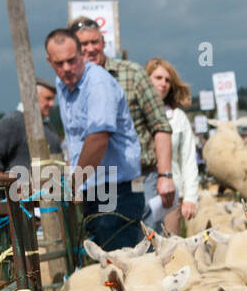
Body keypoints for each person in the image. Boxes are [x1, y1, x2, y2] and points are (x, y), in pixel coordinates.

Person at [44, 28, 145, 251]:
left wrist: (73, 183)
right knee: (107, 266)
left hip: (119, 191)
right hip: (96, 188)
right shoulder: (62, 85)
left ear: (81, 54)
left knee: (118, 264)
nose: (67, 68)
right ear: (49, 61)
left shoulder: (98, 84)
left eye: (72, 60)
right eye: (59, 63)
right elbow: (74, 139)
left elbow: (98, 138)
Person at [69, 17, 174, 224]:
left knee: (148, 245)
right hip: (96, 183)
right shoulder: (72, 85)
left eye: (94, 42)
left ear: (103, 42)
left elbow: (160, 125)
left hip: (140, 178)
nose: (90, 49)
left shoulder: (132, 74)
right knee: (107, 249)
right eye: (83, 44)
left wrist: (166, 175)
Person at [144, 57, 201, 233]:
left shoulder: (178, 118)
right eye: (158, 78)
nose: (163, 84)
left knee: (171, 252)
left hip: (171, 195)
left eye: (167, 80)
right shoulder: (135, 115)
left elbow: (189, 159)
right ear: (146, 80)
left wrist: (190, 197)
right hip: (140, 195)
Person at [0, 78, 63, 182]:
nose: (52, 104)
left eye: (53, 99)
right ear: (33, 97)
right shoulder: (12, 121)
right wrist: (9, 187)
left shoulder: (47, 124)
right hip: (23, 196)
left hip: (51, 193)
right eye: (48, 98)